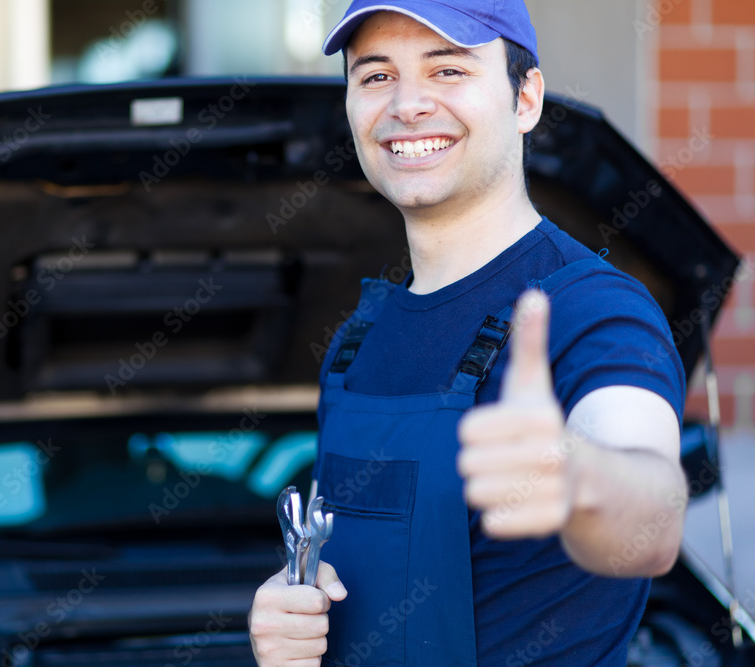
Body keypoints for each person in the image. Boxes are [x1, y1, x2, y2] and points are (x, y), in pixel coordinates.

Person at [248, 0, 688, 665]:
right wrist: (292, 615)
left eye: (448, 70)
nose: (408, 104)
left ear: (526, 98)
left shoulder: (593, 313)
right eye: (375, 76)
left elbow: (650, 521)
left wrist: (579, 478)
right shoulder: (354, 347)